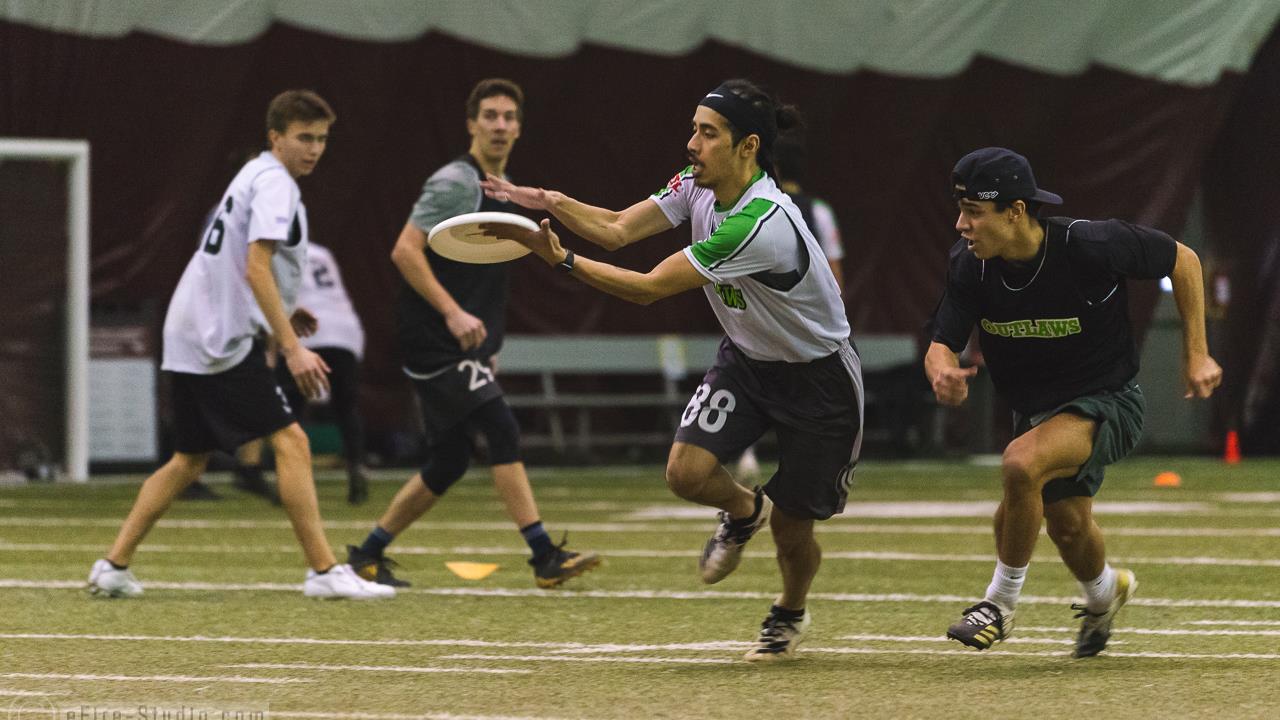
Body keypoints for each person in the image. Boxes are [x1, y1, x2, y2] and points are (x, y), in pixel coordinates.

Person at [481, 79, 863, 661]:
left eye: (707, 134)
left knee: (793, 525)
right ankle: (742, 509)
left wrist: (559, 258)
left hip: (818, 379)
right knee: (685, 474)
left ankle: (789, 609)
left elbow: (648, 289)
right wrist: (551, 203)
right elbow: (616, 227)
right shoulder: (697, 186)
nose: (691, 143)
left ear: (748, 146)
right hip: (748, 362)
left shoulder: (760, 222)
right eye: (693, 128)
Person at [87, 90, 394, 601]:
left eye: (321, 139)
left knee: (189, 459)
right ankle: (323, 572)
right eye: (303, 138)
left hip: (190, 327)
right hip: (219, 339)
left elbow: (236, 260)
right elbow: (254, 264)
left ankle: (112, 566)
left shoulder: (253, 174)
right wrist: (291, 345)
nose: (314, 149)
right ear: (276, 138)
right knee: (291, 440)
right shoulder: (277, 184)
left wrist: (281, 312)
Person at [926, 147, 1222, 657]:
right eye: (961, 210)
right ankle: (1106, 596)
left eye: (974, 212)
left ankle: (998, 605)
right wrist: (941, 370)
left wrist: (1196, 353)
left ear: (1015, 211)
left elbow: (1184, 259)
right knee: (1067, 526)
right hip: (1037, 411)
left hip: (1109, 401)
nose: (961, 225)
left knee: (1020, 466)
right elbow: (941, 342)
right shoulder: (969, 266)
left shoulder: (1088, 243)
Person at [345, 78, 600, 589]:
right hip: (434, 336)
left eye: (508, 117)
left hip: (464, 342)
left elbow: (484, 274)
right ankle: (544, 555)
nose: (500, 125)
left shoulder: (502, 188)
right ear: (471, 124)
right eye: (490, 115)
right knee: (501, 428)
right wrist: (453, 315)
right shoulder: (454, 182)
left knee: (449, 461)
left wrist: (487, 345)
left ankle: (366, 555)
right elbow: (404, 251)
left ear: (520, 128)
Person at [734, 131, 847, 478]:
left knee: (751, 385)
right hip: (805, 339)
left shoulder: (755, 209)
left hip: (758, 330)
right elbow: (835, 278)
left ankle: (743, 447)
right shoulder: (820, 211)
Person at [267, 242, 372, 505]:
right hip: (344, 330)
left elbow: (270, 296)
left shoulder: (272, 251)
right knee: (346, 407)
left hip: (305, 331)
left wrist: (272, 349)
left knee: (290, 411)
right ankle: (357, 465)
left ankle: (291, 479)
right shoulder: (323, 253)